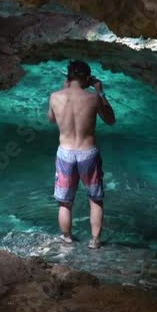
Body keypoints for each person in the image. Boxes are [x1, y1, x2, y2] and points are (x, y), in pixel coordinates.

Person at [47, 60, 116, 249]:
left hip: (65, 153)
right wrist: (100, 91)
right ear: (87, 78)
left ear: (68, 78)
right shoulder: (93, 98)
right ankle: (95, 241)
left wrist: (63, 89)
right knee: (95, 198)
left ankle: (67, 238)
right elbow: (111, 120)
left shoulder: (55, 96)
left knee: (65, 201)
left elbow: (51, 120)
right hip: (88, 152)